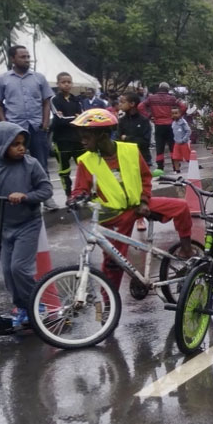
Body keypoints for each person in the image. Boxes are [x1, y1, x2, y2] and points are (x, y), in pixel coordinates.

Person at [69, 108, 195, 289]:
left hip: (139, 205)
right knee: (113, 264)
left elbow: (145, 178)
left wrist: (144, 201)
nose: (82, 141)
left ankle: (187, 249)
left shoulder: (130, 151)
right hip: (115, 217)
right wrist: (76, 197)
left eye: (86, 137)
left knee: (181, 207)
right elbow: (80, 188)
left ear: (103, 136)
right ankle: (108, 306)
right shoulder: (85, 161)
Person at [0, 122, 52, 327]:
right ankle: (22, 306)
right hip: (5, 225)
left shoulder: (31, 164)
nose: (21, 148)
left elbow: (46, 190)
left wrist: (26, 196)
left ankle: (36, 304)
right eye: (14, 144)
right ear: (2, 145)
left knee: (20, 268)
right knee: (8, 271)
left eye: (22, 143)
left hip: (28, 222)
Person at [0, 45, 59, 210]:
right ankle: (17, 199)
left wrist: (44, 123)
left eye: (28, 56)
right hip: (14, 129)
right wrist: (5, 124)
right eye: (23, 57)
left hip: (36, 127)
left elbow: (46, 102)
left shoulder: (39, 78)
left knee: (41, 163)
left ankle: (47, 198)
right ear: (13, 59)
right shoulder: (2, 79)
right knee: (14, 164)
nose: (27, 60)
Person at [48, 72, 84, 196]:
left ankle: (83, 192)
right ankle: (68, 195)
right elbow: (58, 120)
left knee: (83, 167)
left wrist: (72, 119)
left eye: (69, 82)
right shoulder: (54, 100)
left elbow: (83, 118)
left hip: (78, 140)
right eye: (63, 82)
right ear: (58, 84)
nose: (67, 84)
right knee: (64, 170)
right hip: (62, 140)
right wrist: (74, 118)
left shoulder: (76, 100)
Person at [140, 82, 185, 172]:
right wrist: (177, 117)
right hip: (170, 125)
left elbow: (140, 106)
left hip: (158, 124)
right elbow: (183, 107)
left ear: (159, 88)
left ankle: (160, 167)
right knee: (173, 146)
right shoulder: (172, 98)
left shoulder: (151, 98)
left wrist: (149, 116)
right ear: (167, 89)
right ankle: (175, 166)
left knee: (159, 146)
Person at [117, 92, 153, 172]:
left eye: (123, 102)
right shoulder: (122, 121)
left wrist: (127, 138)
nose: (120, 104)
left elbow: (145, 142)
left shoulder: (143, 121)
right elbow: (118, 139)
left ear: (132, 104)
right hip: (126, 159)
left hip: (142, 158)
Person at [170, 106, 192, 173]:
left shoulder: (183, 122)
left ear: (180, 114)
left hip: (183, 143)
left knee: (188, 157)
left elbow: (188, 131)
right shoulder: (173, 123)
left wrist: (184, 139)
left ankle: (194, 166)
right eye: (173, 113)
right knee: (175, 157)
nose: (174, 115)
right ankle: (177, 170)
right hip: (177, 143)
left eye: (176, 113)